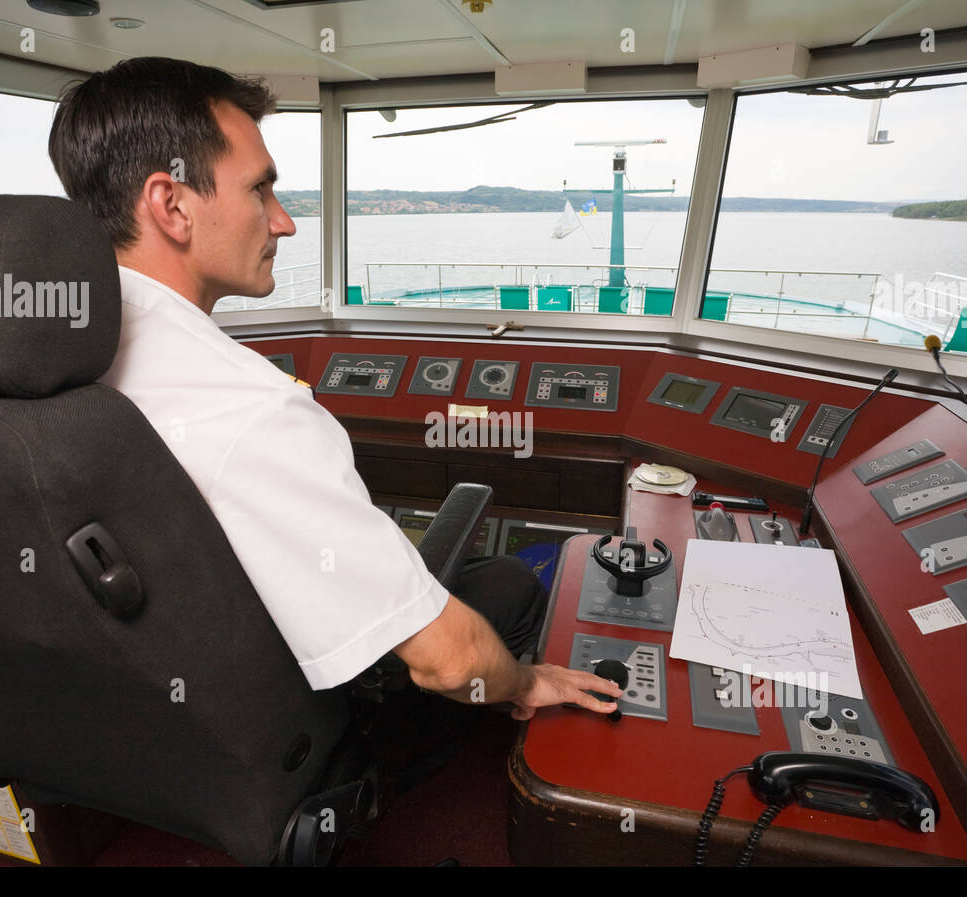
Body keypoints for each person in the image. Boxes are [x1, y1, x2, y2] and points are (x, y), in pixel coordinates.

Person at [47, 57, 620, 727]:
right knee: (510, 584)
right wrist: (524, 681)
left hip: (127, 703)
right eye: (260, 190)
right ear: (171, 204)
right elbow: (451, 663)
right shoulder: (255, 408)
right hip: (269, 712)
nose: (283, 222)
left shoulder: (36, 353)